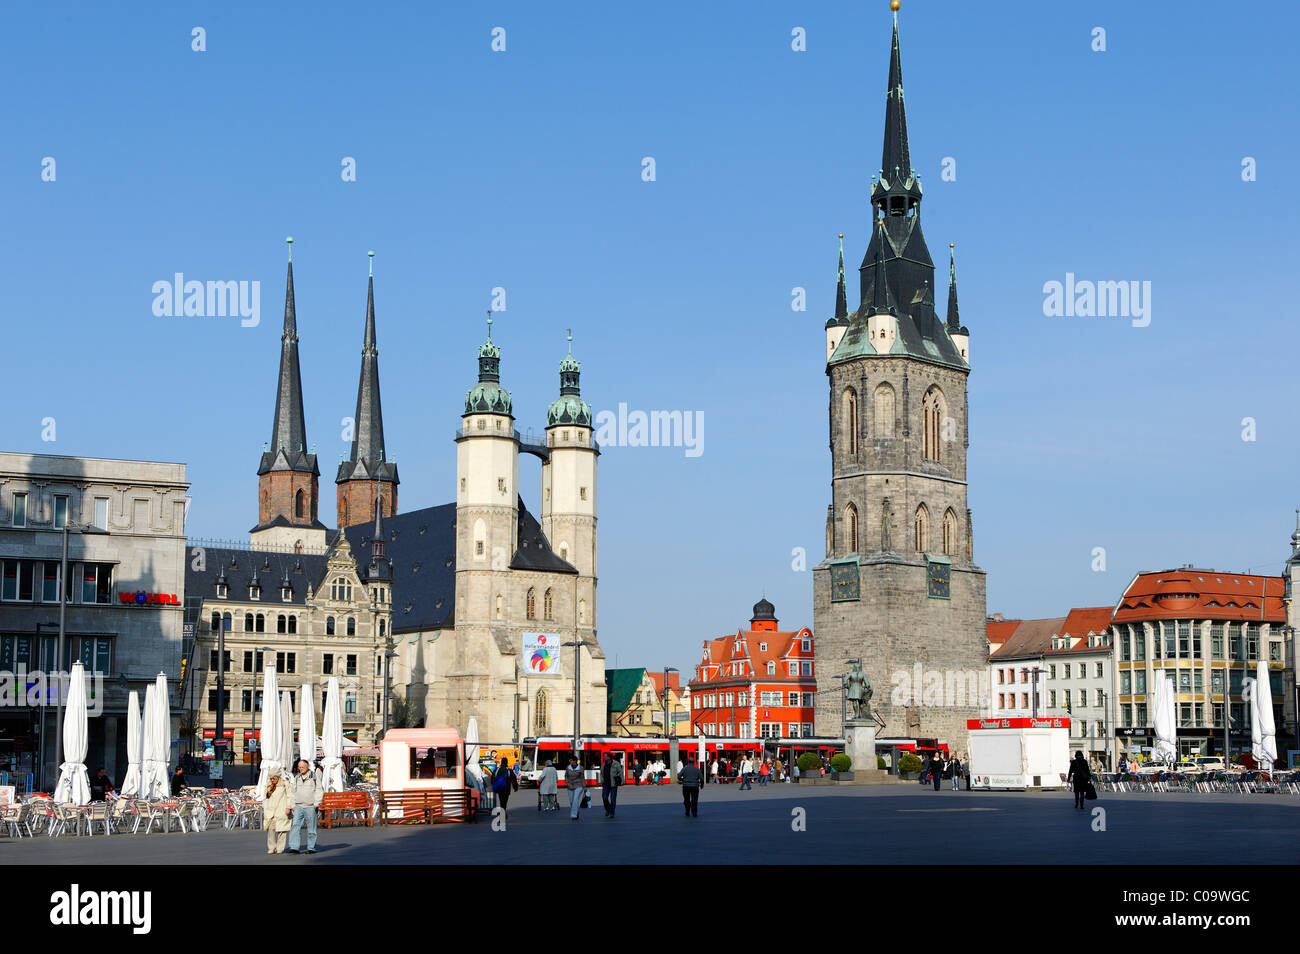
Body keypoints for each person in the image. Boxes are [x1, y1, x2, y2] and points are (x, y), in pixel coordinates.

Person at [287, 758, 324, 853]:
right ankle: (294, 847)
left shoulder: (314, 777)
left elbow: (319, 790)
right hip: (298, 806)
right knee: (295, 826)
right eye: (299, 767)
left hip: (310, 806)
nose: (300, 769)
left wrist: (317, 803)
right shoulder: (297, 777)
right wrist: (292, 804)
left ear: (307, 767)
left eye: (302, 767)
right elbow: (293, 792)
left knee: (311, 828)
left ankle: (311, 847)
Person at [262, 773, 292, 854]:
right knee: (270, 829)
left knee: (282, 830)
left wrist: (288, 807)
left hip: (281, 809)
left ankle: (280, 848)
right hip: (270, 811)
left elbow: (290, 795)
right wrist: (265, 806)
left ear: (278, 777)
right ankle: (272, 847)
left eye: (274, 778)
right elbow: (265, 797)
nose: (272, 780)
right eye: (271, 778)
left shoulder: (284, 784)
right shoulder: (268, 785)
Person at [600, 752, 625, 817]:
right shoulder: (604, 764)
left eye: (605, 756)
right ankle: (608, 809)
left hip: (613, 784)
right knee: (604, 797)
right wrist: (602, 780)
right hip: (605, 784)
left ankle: (612, 813)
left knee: (613, 799)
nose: (604, 757)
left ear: (609, 757)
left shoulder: (616, 763)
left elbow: (620, 772)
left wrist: (622, 781)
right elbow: (601, 773)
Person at [565, 756, 585, 820]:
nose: (570, 761)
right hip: (570, 785)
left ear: (574, 761)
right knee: (571, 801)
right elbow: (566, 776)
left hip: (578, 785)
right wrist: (567, 783)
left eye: (571, 760)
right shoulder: (568, 767)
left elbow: (582, 777)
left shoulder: (581, 768)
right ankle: (576, 812)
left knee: (575, 799)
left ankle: (574, 815)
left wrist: (584, 786)